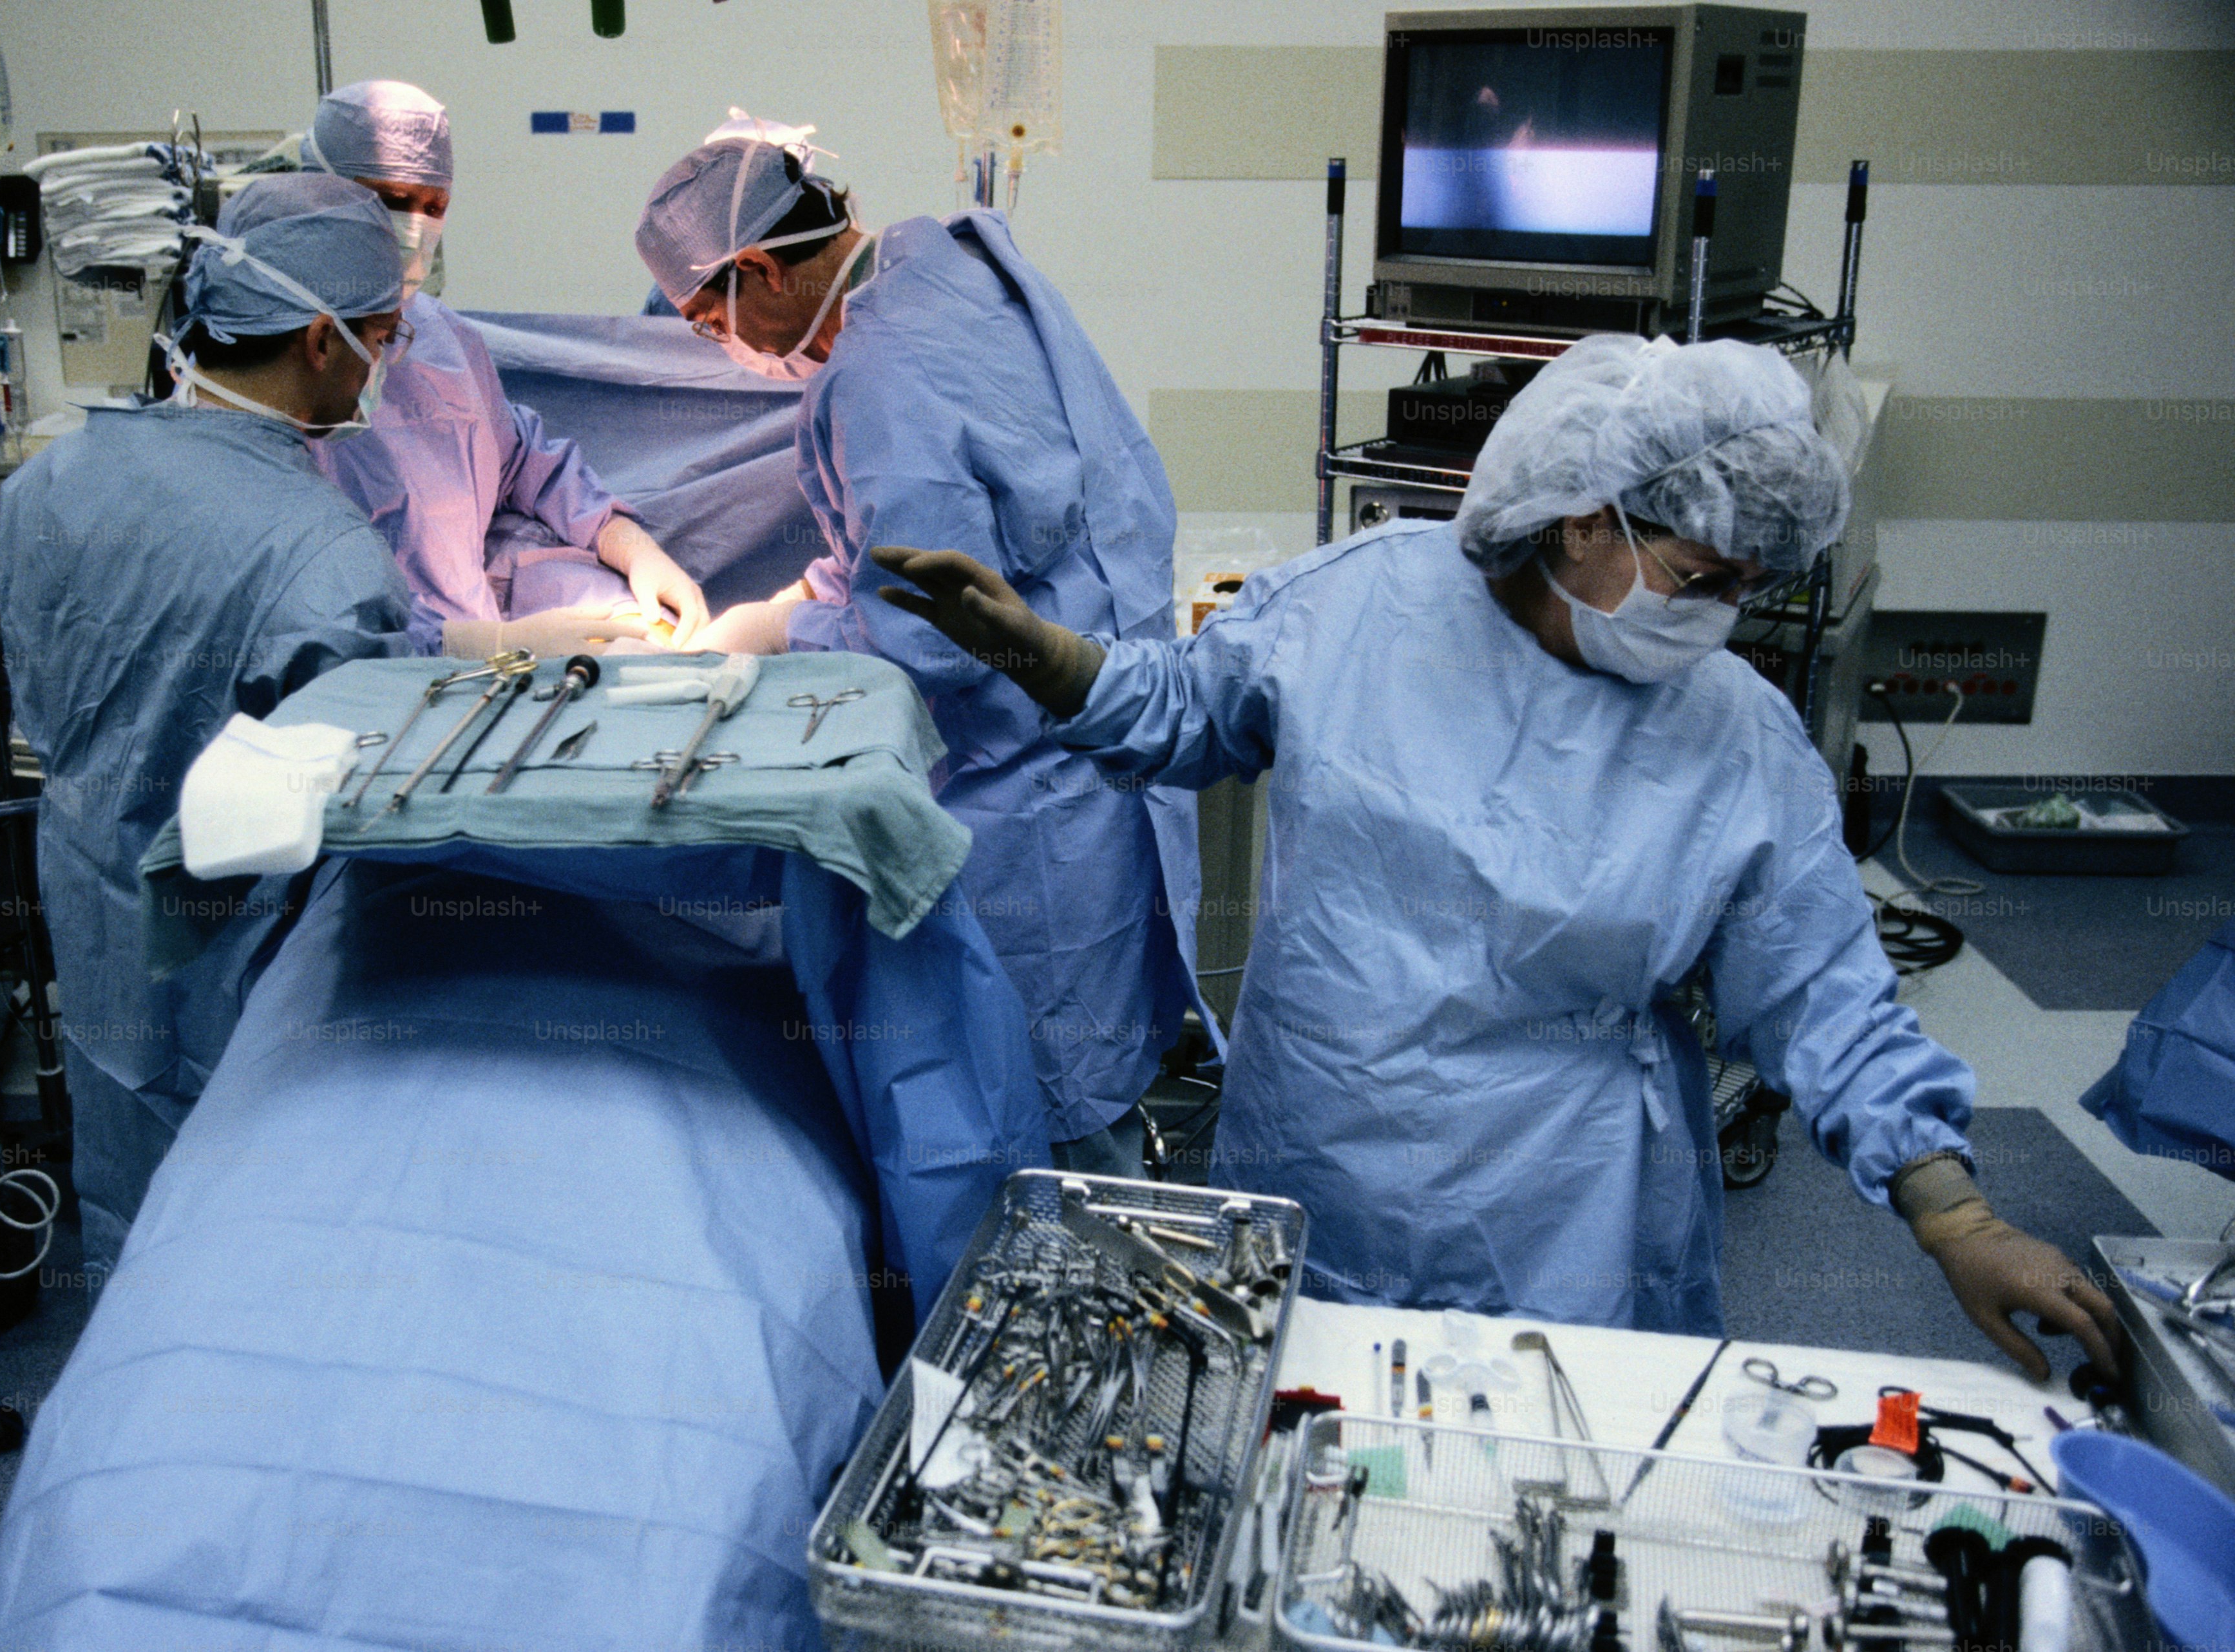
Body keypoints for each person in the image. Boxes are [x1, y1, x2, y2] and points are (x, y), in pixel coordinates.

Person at [870, 333, 2126, 1380]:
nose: (1717, 612)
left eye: (1744, 585)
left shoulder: (1732, 733)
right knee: (1311, 1440)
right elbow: (1189, 708)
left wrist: (1954, 1215)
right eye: (1696, 573)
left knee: (1542, 1474)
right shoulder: (1357, 605)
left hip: (1557, 1193)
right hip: (1328, 1134)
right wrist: (1033, 646)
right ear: (1584, 524)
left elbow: (1826, 993)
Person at [633, 113, 1204, 1175]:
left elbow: (927, 640)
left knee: (1054, 1125)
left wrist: (771, 635)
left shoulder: (878, 374)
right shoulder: (950, 266)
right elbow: (944, 536)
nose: (728, 349)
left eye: (711, 321)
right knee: (1097, 1090)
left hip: (1025, 798)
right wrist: (804, 595)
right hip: (1100, 743)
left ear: (759, 268)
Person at [0, 174, 414, 1280]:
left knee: (150, 1246)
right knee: (270, 1248)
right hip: (253, 966)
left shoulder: (44, 487)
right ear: (323, 342)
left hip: (96, 917)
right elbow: (374, 831)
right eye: (385, 336)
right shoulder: (328, 560)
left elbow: (46, 709)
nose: (392, 362)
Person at [301, 80, 708, 655]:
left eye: (434, 206)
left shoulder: (444, 341)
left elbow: (518, 461)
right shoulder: (273, 361)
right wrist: (477, 642)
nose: (414, 228)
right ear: (319, 191)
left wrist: (630, 549)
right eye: (391, 201)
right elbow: (299, 616)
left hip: (473, 664)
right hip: (370, 676)